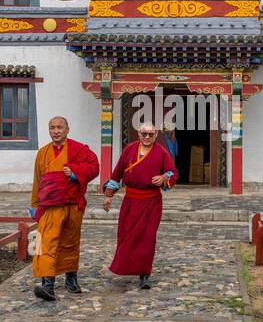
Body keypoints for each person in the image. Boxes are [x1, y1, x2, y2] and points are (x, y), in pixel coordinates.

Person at [30, 116, 99, 301]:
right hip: (50, 206)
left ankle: (71, 278)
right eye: (52, 127)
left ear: (67, 129)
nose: (56, 131)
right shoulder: (42, 153)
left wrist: (76, 171)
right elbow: (38, 180)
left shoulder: (78, 150)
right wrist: (35, 205)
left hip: (72, 204)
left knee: (70, 242)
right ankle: (48, 284)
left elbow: (94, 167)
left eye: (60, 127)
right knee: (45, 242)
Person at [102, 122, 178, 289]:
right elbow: (117, 173)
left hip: (152, 202)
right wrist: (108, 196)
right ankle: (127, 267)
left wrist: (164, 178)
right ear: (138, 133)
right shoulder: (129, 149)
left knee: (147, 238)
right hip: (130, 201)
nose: (147, 137)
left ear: (156, 134)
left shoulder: (161, 152)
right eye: (144, 134)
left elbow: (173, 172)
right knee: (127, 235)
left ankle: (145, 275)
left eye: (150, 134)